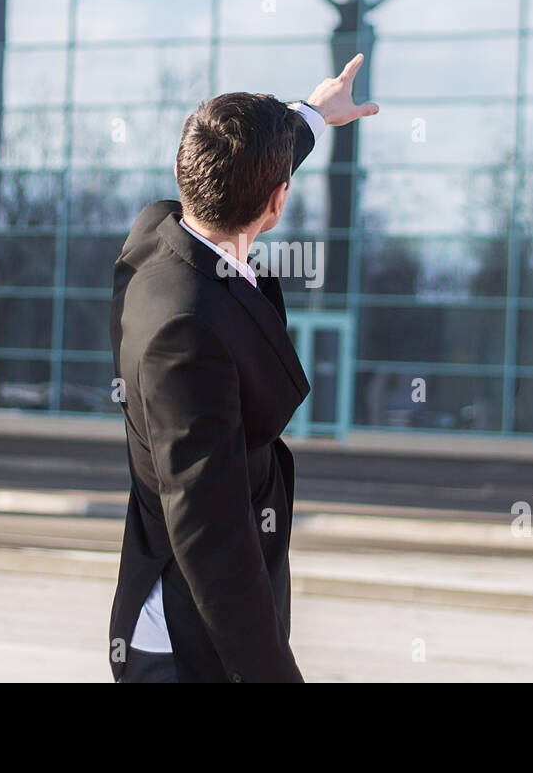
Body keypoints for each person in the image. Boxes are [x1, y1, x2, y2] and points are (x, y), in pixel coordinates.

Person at [107, 54, 379, 682]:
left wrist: (311, 115)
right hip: (189, 641)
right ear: (278, 202)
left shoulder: (152, 239)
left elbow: (233, 166)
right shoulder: (187, 334)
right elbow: (212, 533)